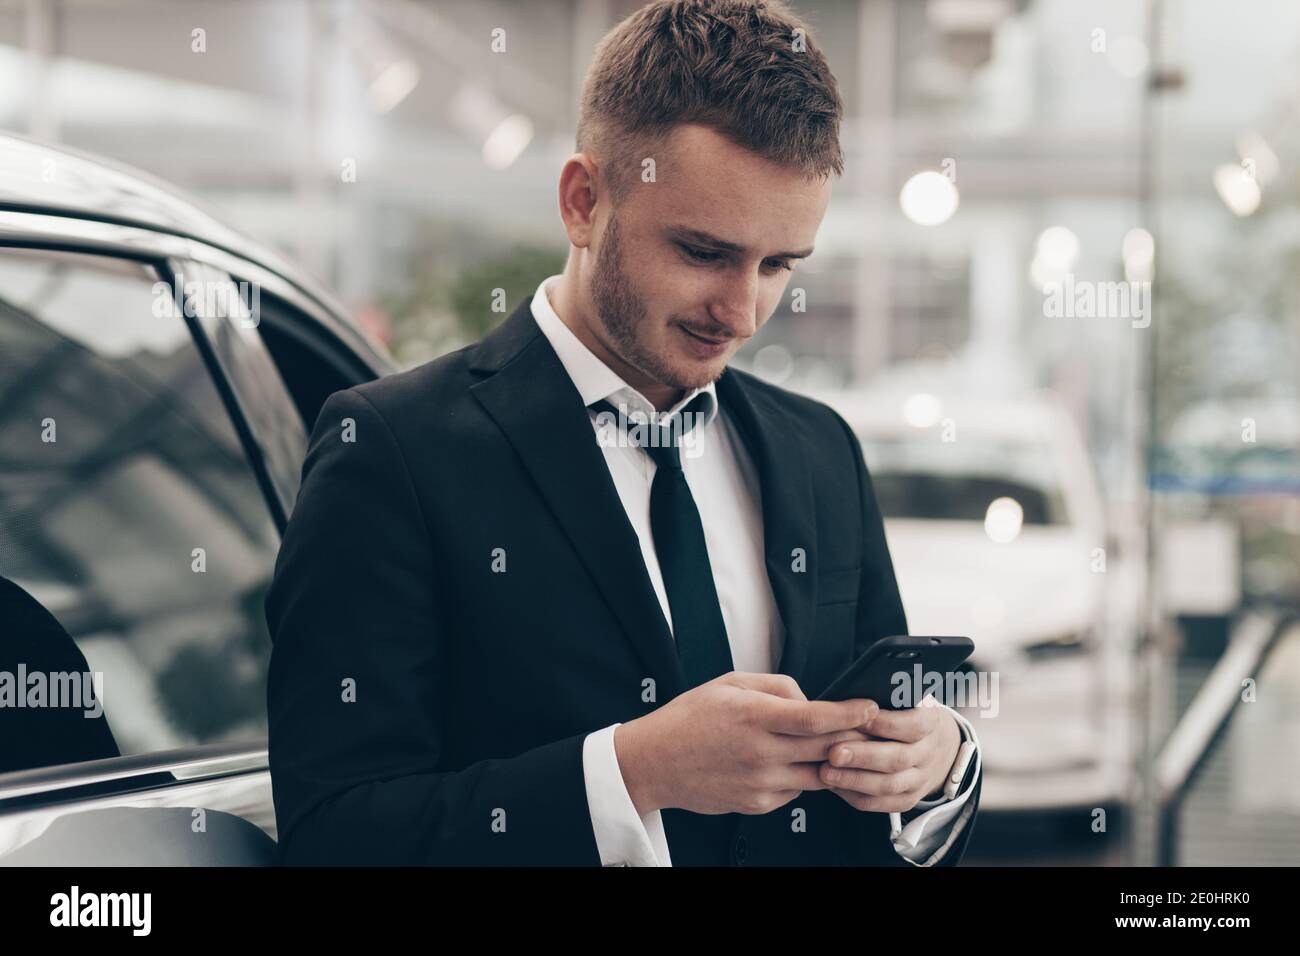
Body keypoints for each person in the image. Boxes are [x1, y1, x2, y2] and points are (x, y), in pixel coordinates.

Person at [265, 0, 981, 866]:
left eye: (778, 265)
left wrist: (939, 761)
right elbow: (337, 833)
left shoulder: (819, 447)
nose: (743, 311)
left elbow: (876, 761)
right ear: (583, 202)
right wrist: (633, 773)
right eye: (704, 252)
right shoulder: (394, 452)